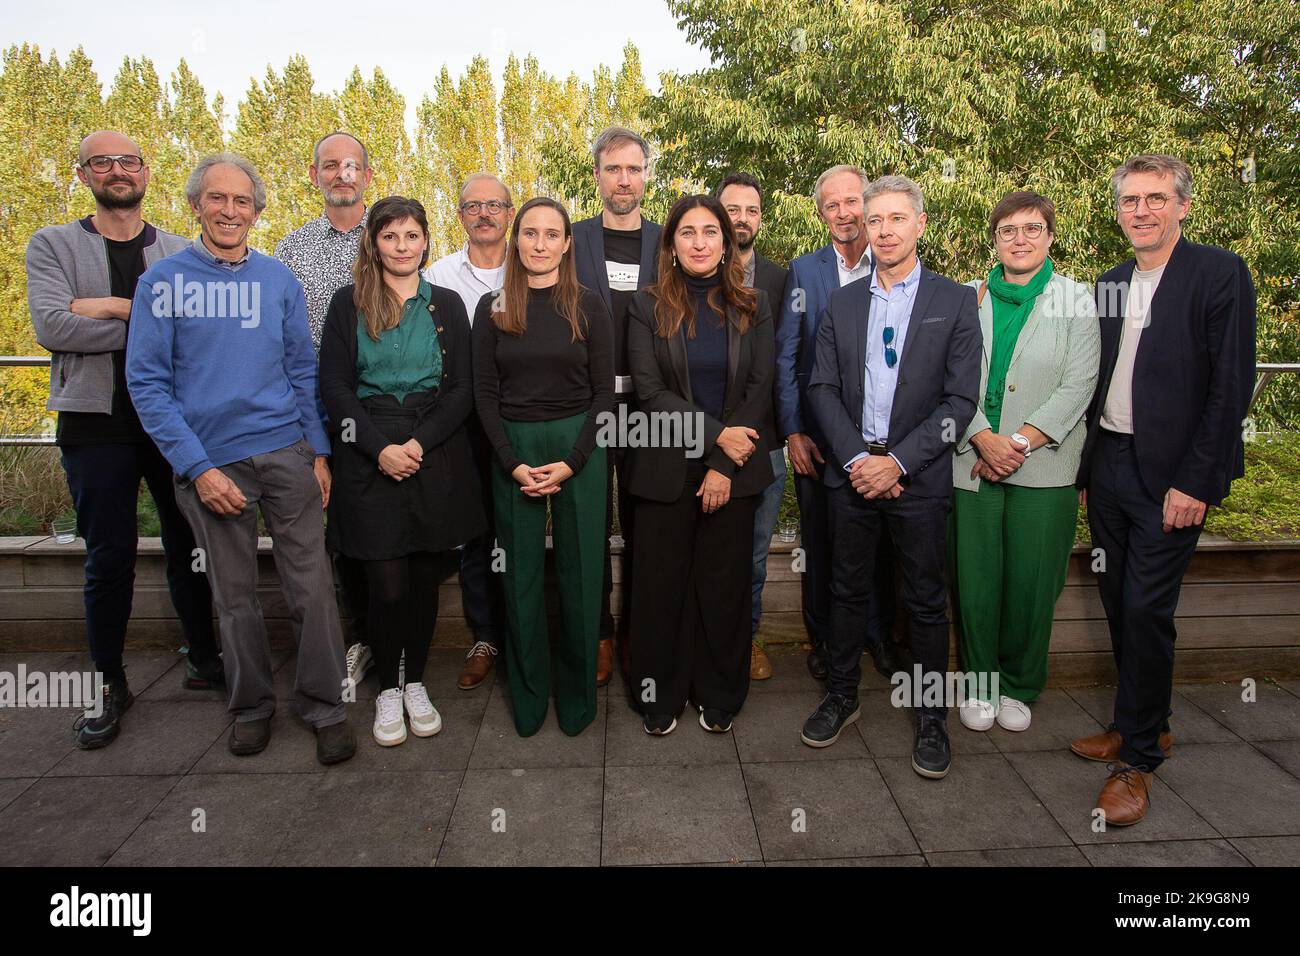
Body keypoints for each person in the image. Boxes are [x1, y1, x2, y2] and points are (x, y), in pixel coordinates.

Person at [126, 152, 355, 766]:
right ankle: (251, 706)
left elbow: (302, 370)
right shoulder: (163, 283)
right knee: (233, 595)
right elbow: (147, 385)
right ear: (196, 206)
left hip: (287, 452)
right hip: (212, 464)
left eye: (242, 201)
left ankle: (326, 705)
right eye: (217, 199)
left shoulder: (278, 279)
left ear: (257, 210)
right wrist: (197, 468)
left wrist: (319, 451)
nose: (230, 211)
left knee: (312, 587)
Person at [1072, 154, 1255, 826]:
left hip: (1174, 477)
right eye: (1130, 201)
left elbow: (1229, 386)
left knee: (1147, 607)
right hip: (1113, 466)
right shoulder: (1111, 282)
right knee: (1122, 603)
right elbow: (1097, 385)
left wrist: (1196, 480)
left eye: (1154, 199)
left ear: (1182, 205)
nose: (1141, 211)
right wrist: (1090, 473)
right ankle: (1141, 721)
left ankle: (1138, 761)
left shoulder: (1218, 273)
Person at [26, 130, 221, 749]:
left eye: (129, 161)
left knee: (191, 543)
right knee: (107, 556)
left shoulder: (179, 250)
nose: (118, 170)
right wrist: (140, 312)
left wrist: (103, 308)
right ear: (83, 173)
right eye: (103, 162)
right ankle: (109, 682)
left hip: (172, 423)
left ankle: (205, 658)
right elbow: (52, 326)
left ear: (145, 171)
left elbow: (194, 333)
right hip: (94, 424)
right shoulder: (52, 245)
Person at [800, 175, 980, 780]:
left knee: (925, 601)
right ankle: (842, 695)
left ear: (920, 224)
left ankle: (932, 718)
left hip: (918, 479)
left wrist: (897, 463)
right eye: (875, 221)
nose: (883, 230)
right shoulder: (842, 303)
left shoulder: (954, 302)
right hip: (853, 475)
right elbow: (819, 388)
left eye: (896, 219)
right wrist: (857, 461)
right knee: (845, 592)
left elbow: (959, 403)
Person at [319, 196, 484, 746]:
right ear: (374, 242)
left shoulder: (449, 306)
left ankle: (415, 682)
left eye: (412, 236)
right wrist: (379, 448)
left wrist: (418, 442)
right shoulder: (347, 305)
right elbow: (336, 388)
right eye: (391, 237)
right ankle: (386, 689)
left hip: (434, 448)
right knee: (385, 582)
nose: (402, 247)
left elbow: (463, 388)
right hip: (369, 450)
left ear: (425, 241)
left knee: (421, 579)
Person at [950, 191, 1099, 734]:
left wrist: (1014, 443)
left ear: (1050, 236)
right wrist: (981, 438)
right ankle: (979, 683)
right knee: (975, 581)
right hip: (970, 461)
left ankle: (1019, 684)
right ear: (993, 239)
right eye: (1008, 230)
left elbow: (1079, 385)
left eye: (1032, 229)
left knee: (1033, 583)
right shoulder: (965, 298)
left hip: (1044, 466)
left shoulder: (1077, 301)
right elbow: (949, 379)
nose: (1020, 239)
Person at [625, 194, 775, 735]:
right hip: (665, 466)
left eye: (710, 232)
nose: (699, 242)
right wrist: (716, 435)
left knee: (723, 584)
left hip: (733, 470)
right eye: (686, 233)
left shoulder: (753, 304)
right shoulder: (646, 306)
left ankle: (718, 692)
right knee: (660, 585)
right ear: (671, 243)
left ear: (726, 241)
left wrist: (722, 463)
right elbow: (648, 390)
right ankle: (658, 693)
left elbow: (760, 389)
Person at [473, 197, 613, 737]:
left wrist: (575, 460)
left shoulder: (589, 305)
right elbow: (484, 396)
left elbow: (605, 394)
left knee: (582, 577)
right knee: (521, 579)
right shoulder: (493, 308)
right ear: (516, 240)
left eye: (551, 234)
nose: (539, 243)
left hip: (580, 446)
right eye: (529, 233)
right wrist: (510, 463)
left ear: (566, 243)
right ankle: (529, 697)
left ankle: (577, 699)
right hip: (514, 448)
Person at [774, 164, 901, 682]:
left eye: (854, 202)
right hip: (821, 441)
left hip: (885, 441)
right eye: (834, 204)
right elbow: (787, 356)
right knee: (822, 545)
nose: (845, 213)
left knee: (883, 547)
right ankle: (826, 639)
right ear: (822, 214)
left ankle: (879, 636)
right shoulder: (805, 272)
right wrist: (793, 430)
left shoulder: (895, 262)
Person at [274, 131, 375, 689]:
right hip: (312, 413)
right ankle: (348, 641)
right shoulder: (291, 250)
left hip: (379, 411)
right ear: (314, 176)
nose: (342, 174)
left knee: (368, 524)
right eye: (331, 166)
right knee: (324, 533)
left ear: (367, 175)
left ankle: (381, 637)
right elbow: (285, 344)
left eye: (352, 166)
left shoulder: (389, 239)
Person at [572, 126, 662, 685]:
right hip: (587, 401)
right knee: (589, 523)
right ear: (598, 176)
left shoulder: (668, 241)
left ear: (646, 175)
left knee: (645, 522)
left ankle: (638, 633)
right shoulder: (572, 239)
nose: (623, 179)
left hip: (652, 406)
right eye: (613, 169)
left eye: (633, 169)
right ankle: (599, 633)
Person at [425, 173, 515, 690]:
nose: (484, 214)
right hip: (462, 428)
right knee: (477, 534)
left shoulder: (534, 266)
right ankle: (485, 636)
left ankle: (529, 632)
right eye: (473, 206)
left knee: (525, 530)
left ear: (509, 213)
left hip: (523, 423)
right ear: (459, 215)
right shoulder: (437, 277)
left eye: (494, 205)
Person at [716, 172, 789, 682]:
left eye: (751, 210)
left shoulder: (783, 281)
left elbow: (784, 365)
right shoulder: (689, 272)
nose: (742, 219)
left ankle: (747, 637)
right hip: (703, 438)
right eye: (732, 209)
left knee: (756, 552)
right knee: (709, 548)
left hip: (765, 441)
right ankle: (706, 636)